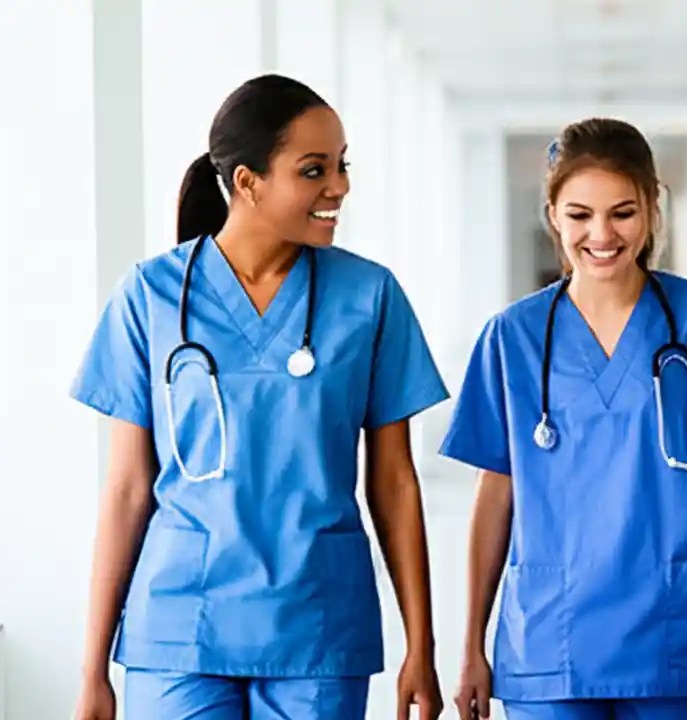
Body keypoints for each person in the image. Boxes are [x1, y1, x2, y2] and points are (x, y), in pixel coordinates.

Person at [69, 74, 448, 720]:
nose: (340, 187)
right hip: (180, 628)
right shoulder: (151, 296)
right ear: (247, 182)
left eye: (341, 165)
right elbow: (130, 488)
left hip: (316, 626)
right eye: (314, 170)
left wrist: (423, 645)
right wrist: (93, 669)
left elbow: (394, 483)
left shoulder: (369, 297)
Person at [441, 118, 687, 720]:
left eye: (623, 212)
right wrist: (470, 641)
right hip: (549, 638)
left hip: (668, 626)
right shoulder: (511, 338)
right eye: (579, 215)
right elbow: (495, 493)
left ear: (653, 209)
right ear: (553, 216)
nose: (601, 234)